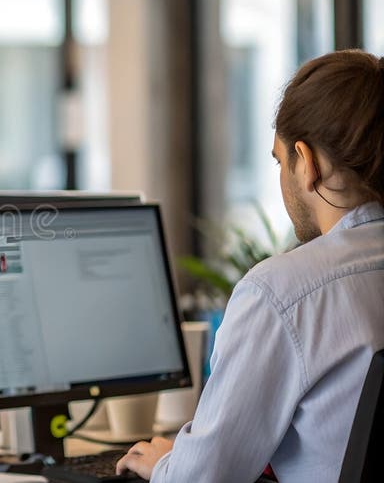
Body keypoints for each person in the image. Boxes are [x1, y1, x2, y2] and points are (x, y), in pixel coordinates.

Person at [116, 50, 384, 481]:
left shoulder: (285, 293)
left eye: (280, 161)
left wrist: (169, 464)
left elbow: (204, 478)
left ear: (307, 162)